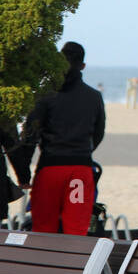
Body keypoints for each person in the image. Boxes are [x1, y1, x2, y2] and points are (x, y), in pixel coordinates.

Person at [13, 41, 106, 235]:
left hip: (50, 168)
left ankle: (45, 264)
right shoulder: (94, 96)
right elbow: (98, 133)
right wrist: (83, 151)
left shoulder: (45, 95)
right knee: (76, 229)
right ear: (83, 66)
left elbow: (30, 136)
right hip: (80, 169)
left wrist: (23, 173)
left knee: (43, 228)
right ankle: (75, 265)